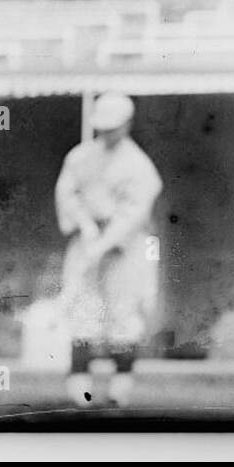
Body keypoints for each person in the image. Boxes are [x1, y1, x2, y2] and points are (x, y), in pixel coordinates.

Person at [55, 92, 163, 407]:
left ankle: (120, 387)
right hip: (87, 239)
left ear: (127, 125)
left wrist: (105, 243)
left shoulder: (139, 165)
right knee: (83, 310)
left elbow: (134, 213)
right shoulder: (80, 156)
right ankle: (80, 386)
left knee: (123, 311)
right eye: (101, 126)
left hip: (125, 245)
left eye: (112, 127)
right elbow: (68, 195)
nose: (106, 133)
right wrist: (87, 228)